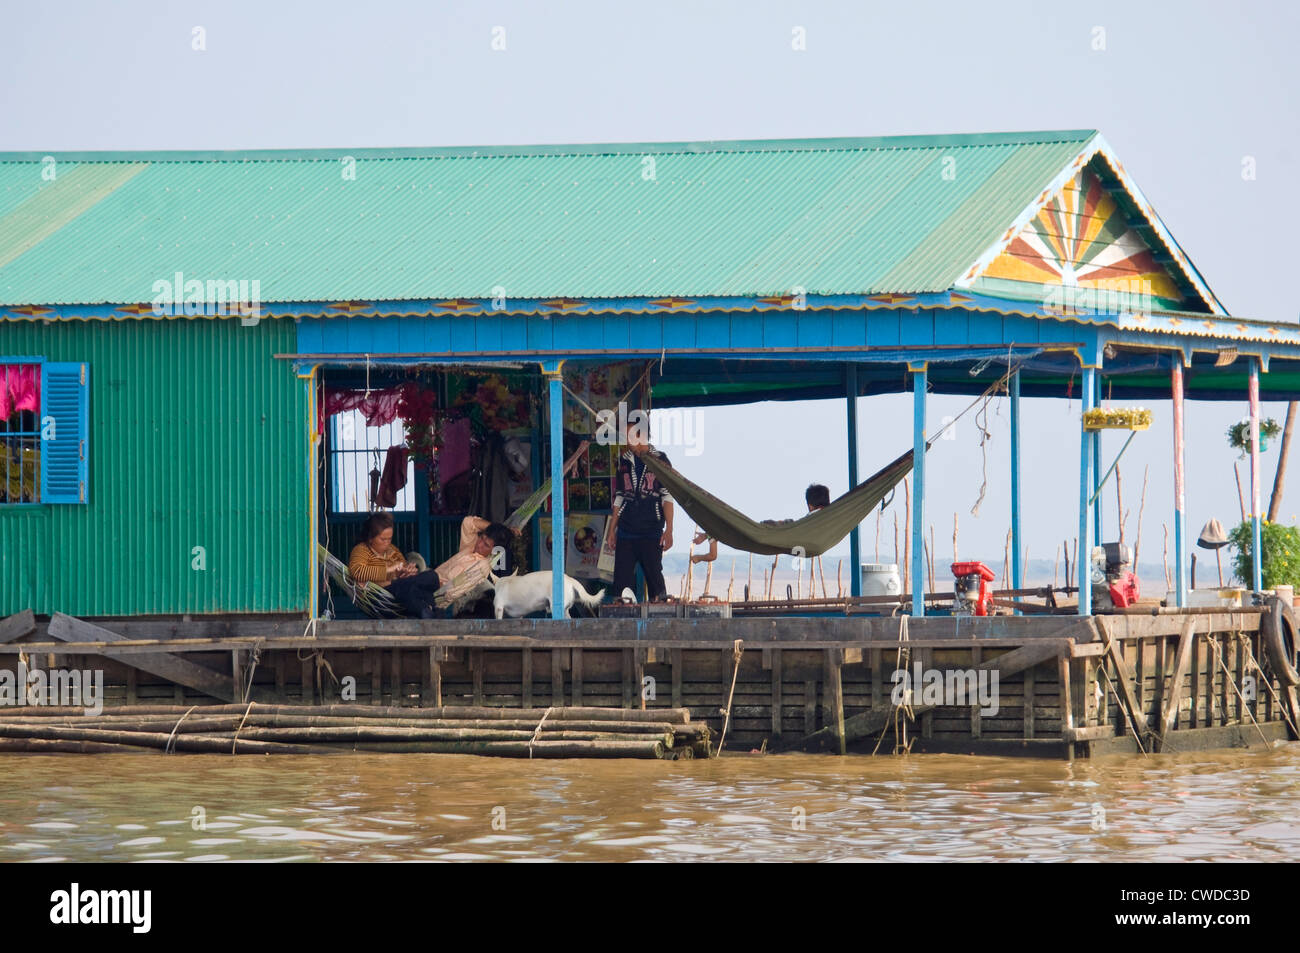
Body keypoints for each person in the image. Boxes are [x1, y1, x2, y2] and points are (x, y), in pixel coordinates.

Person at [348, 512, 512, 618]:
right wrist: (498, 529)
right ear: (370, 538)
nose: (387, 543)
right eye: (382, 539)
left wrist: (406, 571)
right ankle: (429, 611)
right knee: (418, 587)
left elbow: (403, 569)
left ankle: (427, 610)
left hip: (435, 588)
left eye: (389, 539)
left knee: (418, 585)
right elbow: (357, 572)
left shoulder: (482, 566)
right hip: (400, 589)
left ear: (493, 550)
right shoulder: (361, 550)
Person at [604, 424, 674, 601]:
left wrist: (669, 530)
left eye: (630, 436)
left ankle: (660, 620)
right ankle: (620, 622)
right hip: (626, 531)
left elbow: (667, 497)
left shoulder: (660, 459)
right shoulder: (624, 461)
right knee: (621, 582)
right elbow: (619, 497)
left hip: (652, 531)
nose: (627, 441)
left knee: (655, 580)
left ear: (642, 435)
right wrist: (612, 530)